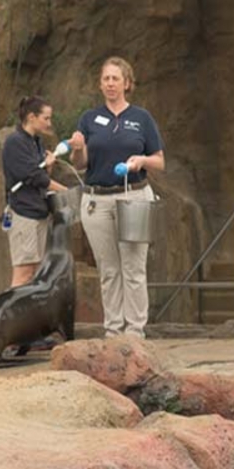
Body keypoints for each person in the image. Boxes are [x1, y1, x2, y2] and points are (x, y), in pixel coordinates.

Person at [69, 57, 164, 338]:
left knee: (133, 268)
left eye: (115, 78)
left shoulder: (142, 118)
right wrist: (77, 148)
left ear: (127, 83)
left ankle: (135, 332)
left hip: (133, 197)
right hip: (98, 200)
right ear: (100, 84)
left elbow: (160, 162)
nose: (110, 83)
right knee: (109, 270)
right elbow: (80, 164)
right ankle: (113, 331)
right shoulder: (89, 118)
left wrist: (141, 160)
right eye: (106, 79)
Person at [2, 96, 68, 287]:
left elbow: (40, 175)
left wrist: (48, 165)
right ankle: (13, 316)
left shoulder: (36, 141)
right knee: (24, 272)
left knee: (36, 270)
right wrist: (65, 190)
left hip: (38, 212)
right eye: (46, 118)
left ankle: (28, 315)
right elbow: (35, 177)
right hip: (23, 213)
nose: (49, 123)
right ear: (31, 117)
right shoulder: (15, 142)